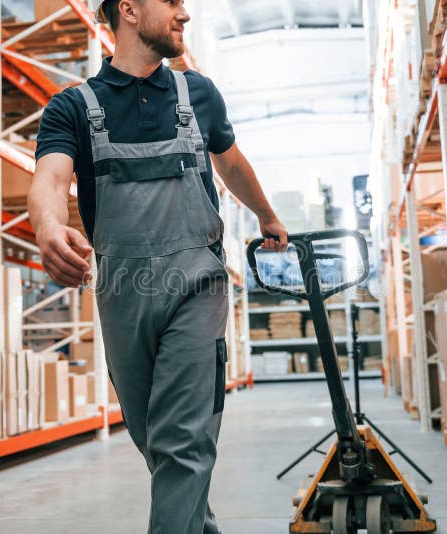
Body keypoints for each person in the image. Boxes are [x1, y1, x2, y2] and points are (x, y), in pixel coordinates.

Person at [29, 0, 288, 532]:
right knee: (158, 441)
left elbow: (231, 162)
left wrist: (266, 215)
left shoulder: (200, 95)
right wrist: (49, 228)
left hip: (198, 282)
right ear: (128, 9)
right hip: (123, 293)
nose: (184, 13)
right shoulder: (73, 107)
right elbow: (51, 180)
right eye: (171, 1)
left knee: (181, 441)